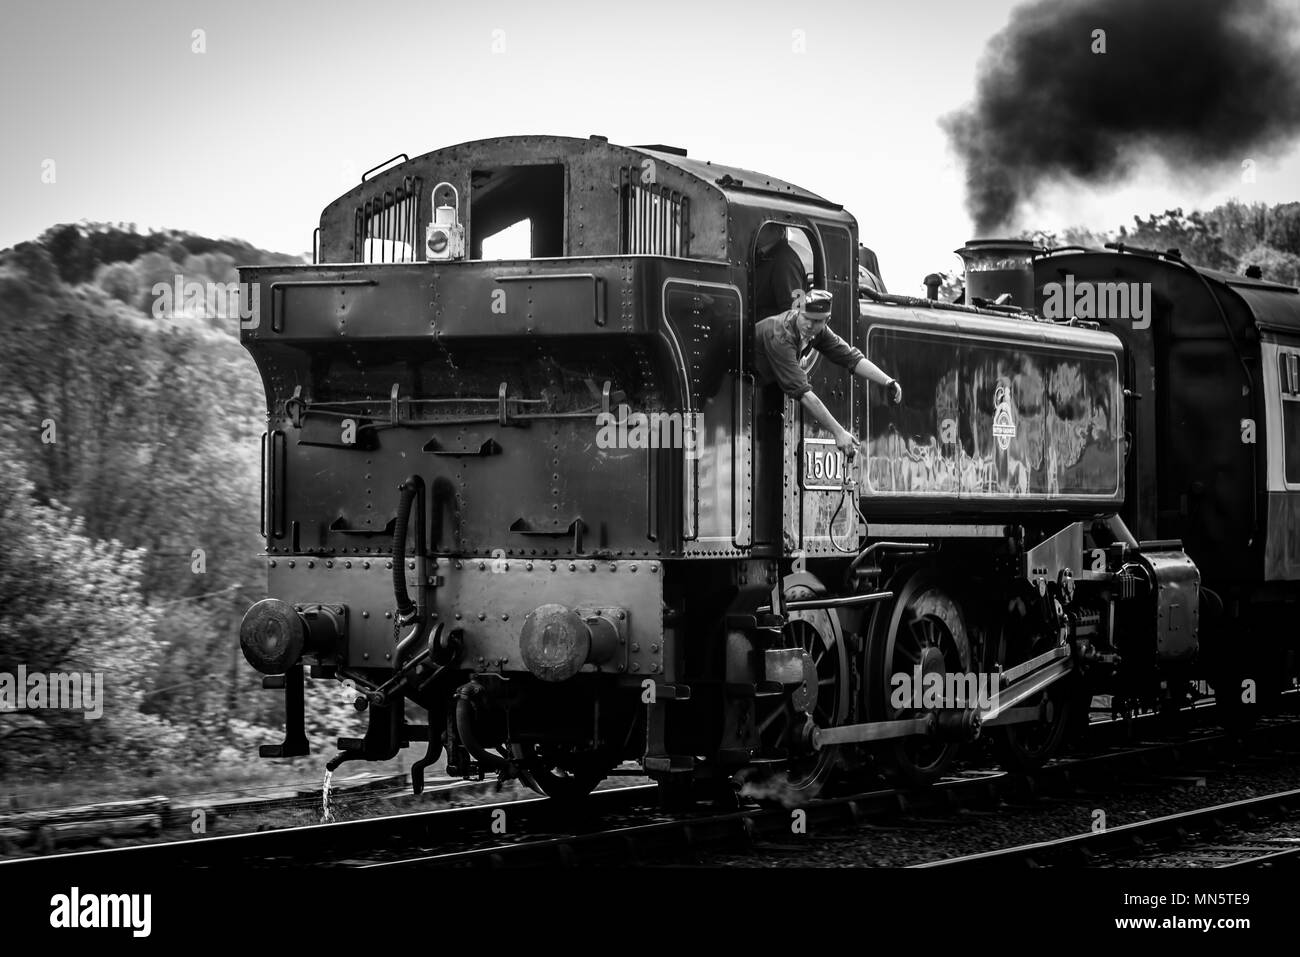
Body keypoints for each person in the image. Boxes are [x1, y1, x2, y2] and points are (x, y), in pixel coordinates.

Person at [754, 288, 902, 460]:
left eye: (816, 321)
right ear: (798, 312)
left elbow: (850, 357)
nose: (809, 325)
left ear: (826, 321)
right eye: (806, 318)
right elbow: (802, 392)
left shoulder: (817, 332)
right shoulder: (781, 336)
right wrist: (838, 432)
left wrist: (887, 381)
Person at [754, 223, 808, 318]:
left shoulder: (785, 262)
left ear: (777, 230)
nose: (754, 229)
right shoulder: (764, 255)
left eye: (760, 226)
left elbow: (793, 313)